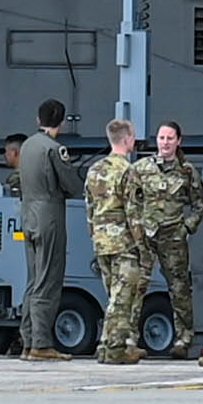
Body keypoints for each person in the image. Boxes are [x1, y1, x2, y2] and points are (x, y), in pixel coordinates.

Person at [11, 100, 80, 360]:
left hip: (27, 214)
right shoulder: (55, 149)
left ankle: (28, 339)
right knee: (48, 279)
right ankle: (41, 342)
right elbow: (71, 184)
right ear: (61, 122)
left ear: (37, 119)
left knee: (33, 280)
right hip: (49, 215)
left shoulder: (27, 145)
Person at [85, 117, 153, 363]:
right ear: (127, 139)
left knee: (114, 296)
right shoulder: (129, 171)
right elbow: (133, 213)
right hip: (124, 242)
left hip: (102, 242)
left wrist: (95, 236)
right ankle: (113, 349)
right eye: (133, 137)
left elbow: (89, 208)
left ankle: (107, 345)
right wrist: (142, 246)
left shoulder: (94, 170)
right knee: (123, 299)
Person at [141, 123, 202, 357]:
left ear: (179, 141)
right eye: (161, 138)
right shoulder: (143, 168)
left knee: (179, 289)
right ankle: (128, 338)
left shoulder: (186, 171)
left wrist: (187, 227)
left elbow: (199, 204)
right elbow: (131, 200)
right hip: (146, 236)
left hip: (173, 237)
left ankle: (183, 340)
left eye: (169, 138)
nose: (165, 142)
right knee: (137, 287)